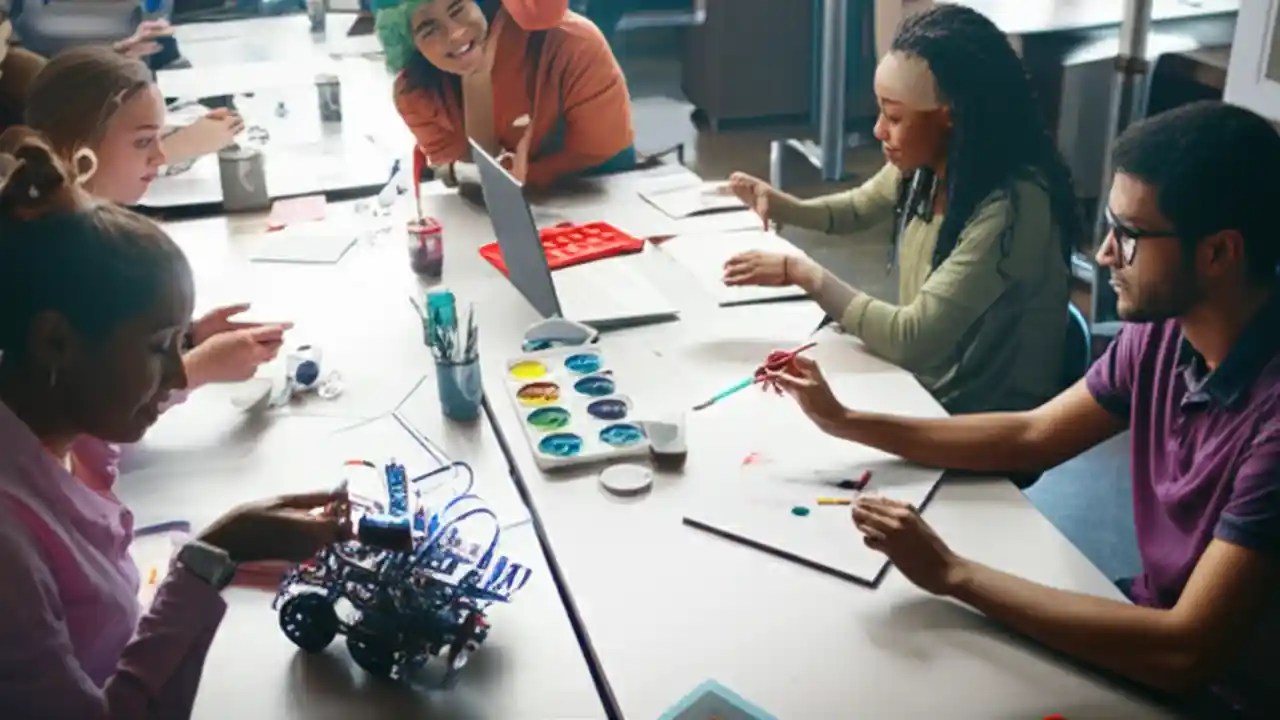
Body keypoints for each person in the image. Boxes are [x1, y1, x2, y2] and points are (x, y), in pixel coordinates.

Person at [766, 101, 1280, 718]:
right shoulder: (1166, 334)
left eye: (1130, 236)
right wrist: (847, 421)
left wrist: (953, 573)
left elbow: (1186, 652)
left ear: (1219, 253)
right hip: (1144, 631)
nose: (1106, 255)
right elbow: (1033, 435)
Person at [0, 132, 351, 717]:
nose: (176, 370)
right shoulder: (8, 550)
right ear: (55, 341)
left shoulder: (60, 437)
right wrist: (212, 557)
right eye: (159, 346)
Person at [724, 4, 1081, 415]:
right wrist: (782, 205)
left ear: (950, 118)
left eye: (894, 116)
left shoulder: (1011, 209)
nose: (879, 130)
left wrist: (803, 273)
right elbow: (856, 208)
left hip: (978, 419)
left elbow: (910, 339)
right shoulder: (928, 165)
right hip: (925, 386)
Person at [21, 48, 280, 391]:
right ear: (76, 148)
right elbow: (86, 405)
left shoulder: (75, 233)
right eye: (143, 141)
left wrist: (184, 339)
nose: (160, 156)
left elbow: (106, 351)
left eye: (160, 137)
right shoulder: (59, 258)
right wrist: (196, 369)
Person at [376, 0, 635, 189]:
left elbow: (602, 151)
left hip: (597, 187)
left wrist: (520, 176)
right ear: (411, 43)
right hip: (495, 219)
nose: (455, 33)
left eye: (457, 8)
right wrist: (477, 80)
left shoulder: (575, 44)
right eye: (429, 29)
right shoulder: (415, 94)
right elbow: (477, 182)